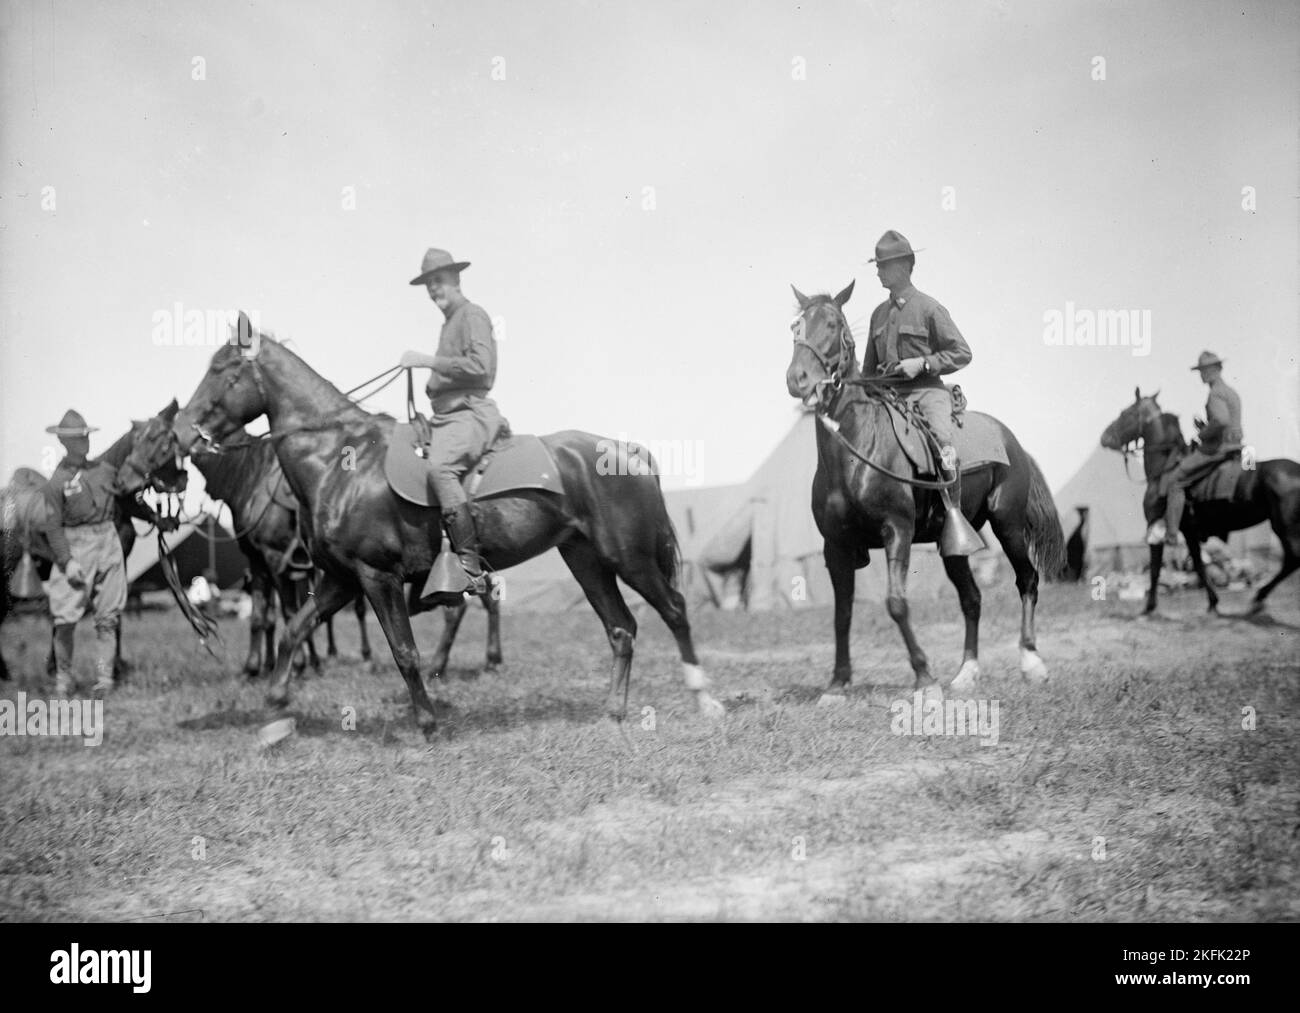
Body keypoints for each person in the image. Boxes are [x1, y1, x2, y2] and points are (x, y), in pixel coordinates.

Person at [861, 231, 982, 555]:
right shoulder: (877, 315)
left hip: (926, 393)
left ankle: (953, 515)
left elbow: (962, 352)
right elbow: (868, 373)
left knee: (944, 445)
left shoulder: (929, 308)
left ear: (903, 266)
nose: (878, 272)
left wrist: (924, 363)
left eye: (883, 265)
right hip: (888, 398)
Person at [399, 248, 508, 602]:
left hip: (471, 413)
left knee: (440, 469)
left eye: (439, 281)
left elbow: (481, 368)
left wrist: (428, 361)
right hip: (446, 416)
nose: (433, 290)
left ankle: (471, 568)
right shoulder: (449, 323)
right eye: (429, 284)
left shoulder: (472, 314)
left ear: (456, 279)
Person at [39, 410, 127, 695]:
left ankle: (105, 679)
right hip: (76, 547)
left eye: (86, 436)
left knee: (108, 618)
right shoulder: (56, 482)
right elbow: (53, 526)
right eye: (78, 438)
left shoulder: (104, 470)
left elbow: (127, 490)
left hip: (108, 542)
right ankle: (64, 678)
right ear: (64, 441)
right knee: (65, 619)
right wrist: (67, 561)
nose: (85, 442)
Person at [1162, 351, 1243, 546]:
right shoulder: (1230, 391)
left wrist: (1201, 434)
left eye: (1204, 370)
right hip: (1235, 445)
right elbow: (1226, 420)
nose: (1202, 375)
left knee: (1175, 480)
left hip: (1218, 449)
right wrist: (1205, 425)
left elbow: (1221, 420)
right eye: (1201, 371)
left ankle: (1171, 535)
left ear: (1214, 370)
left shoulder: (1215, 393)